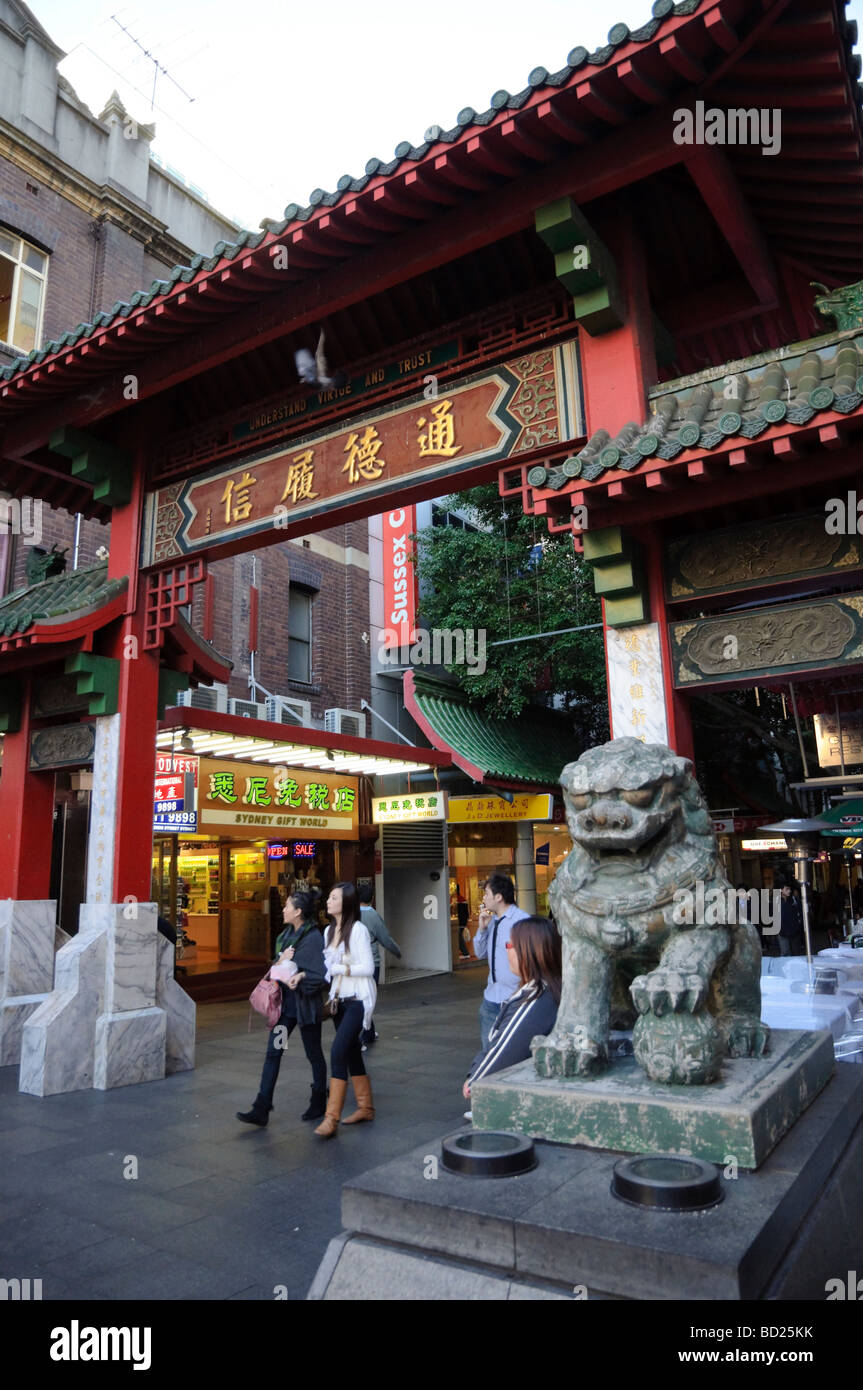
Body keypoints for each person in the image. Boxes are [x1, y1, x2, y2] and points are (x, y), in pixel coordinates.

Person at [237, 888, 328, 1127]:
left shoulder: (313, 938)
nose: (284, 909)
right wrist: (282, 961)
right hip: (285, 1009)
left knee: (313, 1054)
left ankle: (319, 1100)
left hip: (306, 1008)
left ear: (298, 911)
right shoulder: (285, 936)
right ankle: (262, 1107)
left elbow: (320, 975)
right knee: (273, 1053)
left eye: (288, 906)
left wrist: (299, 975)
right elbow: (275, 967)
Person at [463, 915, 561, 1109]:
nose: (508, 952)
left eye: (510, 945)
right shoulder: (547, 989)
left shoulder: (537, 999)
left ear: (527, 952)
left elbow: (506, 1049)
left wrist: (475, 1079)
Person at [315, 882, 377, 1138]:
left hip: (357, 1000)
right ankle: (365, 1107)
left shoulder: (359, 930)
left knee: (338, 1052)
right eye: (328, 897)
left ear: (346, 903)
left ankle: (331, 1118)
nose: (328, 901)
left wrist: (342, 968)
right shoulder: (328, 931)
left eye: (333, 897)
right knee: (352, 1054)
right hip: (338, 1002)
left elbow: (369, 968)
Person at [473, 874, 529, 1050]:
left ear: (498, 897)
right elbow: (480, 953)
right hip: (490, 999)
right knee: (488, 1050)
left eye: (487, 893)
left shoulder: (521, 922)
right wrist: (481, 930)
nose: (484, 897)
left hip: (515, 999)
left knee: (513, 1051)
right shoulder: (492, 921)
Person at [357, 883, 401, 1048]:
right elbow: (385, 938)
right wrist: (397, 951)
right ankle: (363, 1035)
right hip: (371, 961)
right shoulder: (373, 916)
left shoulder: (350, 914)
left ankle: (369, 1031)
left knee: (362, 997)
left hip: (354, 963)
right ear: (372, 898)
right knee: (367, 997)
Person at [778, 881, 805, 956]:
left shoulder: (793, 900)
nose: (789, 891)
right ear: (781, 890)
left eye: (789, 889)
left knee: (796, 953)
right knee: (785, 954)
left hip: (794, 932)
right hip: (782, 932)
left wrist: (798, 925)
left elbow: (800, 912)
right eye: (787, 889)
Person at [455, 887, 471, 958]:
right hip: (463, 921)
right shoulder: (462, 899)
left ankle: (465, 953)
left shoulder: (456, 900)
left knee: (458, 937)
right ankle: (464, 953)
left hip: (459, 921)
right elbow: (466, 912)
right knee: (458, 936)